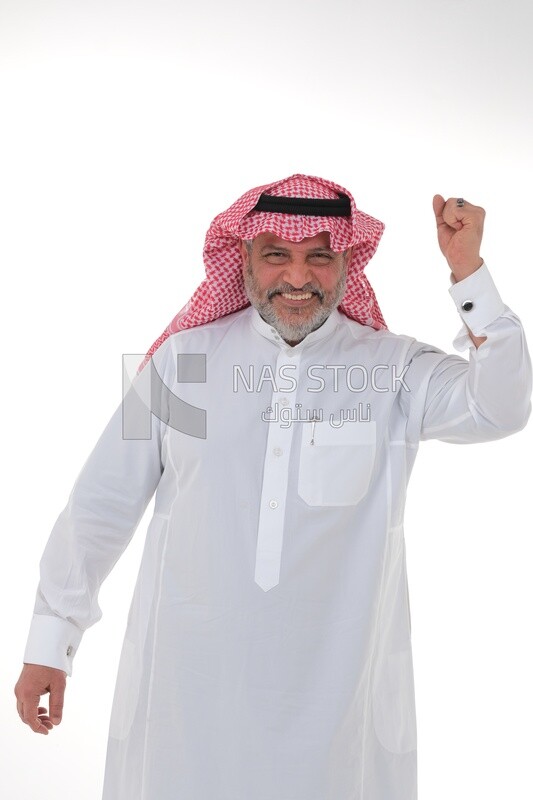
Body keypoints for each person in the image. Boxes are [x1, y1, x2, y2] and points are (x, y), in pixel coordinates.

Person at [15, 174, 532, 800]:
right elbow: (101, 504)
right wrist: (52, 638)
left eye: (319, 254)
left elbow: (501, 407)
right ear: (245, 261)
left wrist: (469, 273)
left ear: (347, 260)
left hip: (337, 719)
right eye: (276, 255)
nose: (298, 276)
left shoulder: (392, 369)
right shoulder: (185, 362)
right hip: (187, 708)